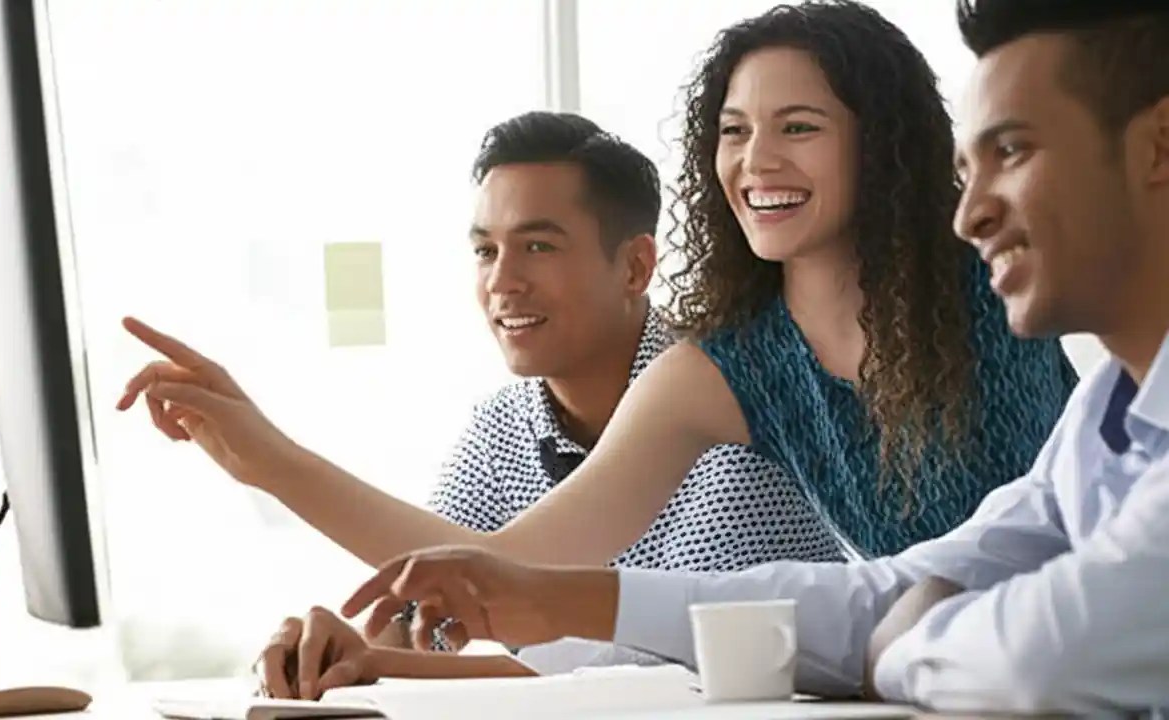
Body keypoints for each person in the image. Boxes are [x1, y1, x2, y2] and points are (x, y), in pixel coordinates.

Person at [122, 0, 1076, 694]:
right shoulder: (727, 367)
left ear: (884, 148)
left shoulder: (991, 269)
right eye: (734, 133)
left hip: (1087, 638)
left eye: (800, 128)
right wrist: (267, 460)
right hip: (958, 673)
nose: (757, 162)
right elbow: (506, 565)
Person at [339, 0, 1169, 715]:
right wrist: (554, 600)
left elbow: (1040, 648)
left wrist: (907, 648)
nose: (972, 213)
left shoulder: (980, 308)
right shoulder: (1102, 424)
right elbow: (876, 595)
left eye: (1014, 153)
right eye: (734, 131)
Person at [122, 111, 844, 686]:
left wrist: (272, 461)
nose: (503, 281)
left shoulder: (729, 408)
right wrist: (342, 651)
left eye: (537, 246)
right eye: (484, 250)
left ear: (634, 266)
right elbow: (421, 619)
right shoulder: (501, 432)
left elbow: (666, 673)